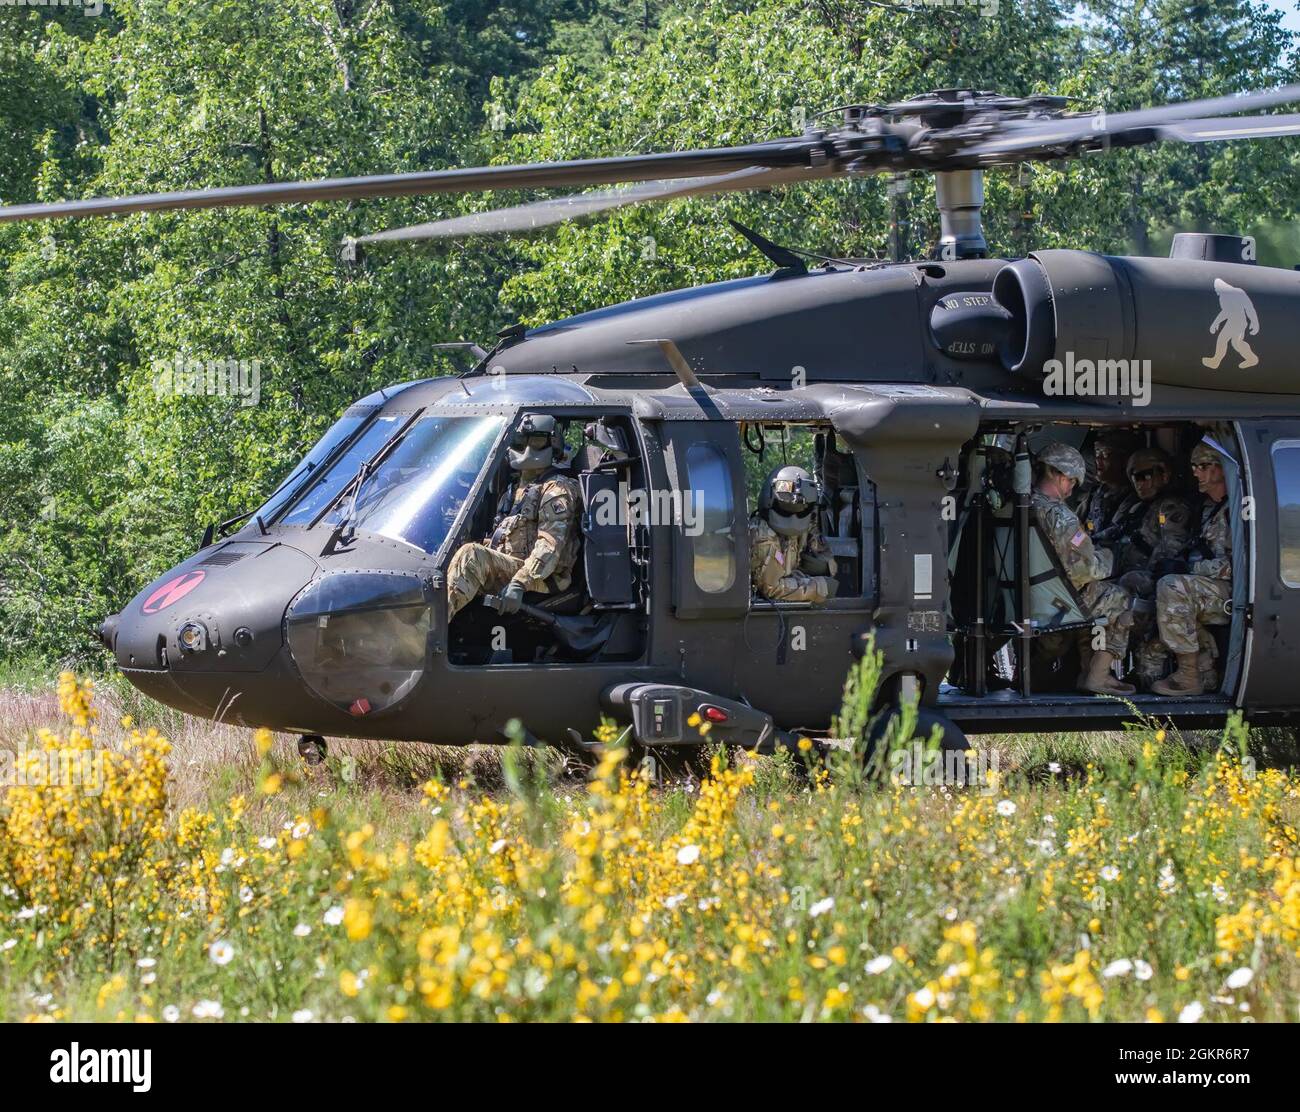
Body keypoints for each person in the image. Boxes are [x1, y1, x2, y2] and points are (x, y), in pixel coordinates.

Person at [446, 413, 581, 621]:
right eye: (520, 440)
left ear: (553, 443)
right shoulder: (514, 488)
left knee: (471, 555)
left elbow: (550, 547)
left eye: (536, 440)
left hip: (542, 577)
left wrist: (520, 582)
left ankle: (425, 631)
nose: (527, 447)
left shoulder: (557, 488)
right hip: (511, 567)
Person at [1032, 442, 1134, 695]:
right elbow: (1084, 571)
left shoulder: (1023, 506)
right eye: (1071, 482)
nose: (1070, 490)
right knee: (1120, 599)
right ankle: (1097, 676)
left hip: (1030, 595)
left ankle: (1083, 671)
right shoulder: (1062, 517)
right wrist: (1109, 557)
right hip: (1057, 599)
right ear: (1058, 474)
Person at [1150, 440, 1233, 696]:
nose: (1196, 472)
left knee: (1173, 587)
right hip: (1209, 587)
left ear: (1220, 469)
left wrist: (1191, 568)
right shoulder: (1208, 509)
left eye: (1203, 466)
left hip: (1231, 592)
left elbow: (1237, 566)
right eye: (1194, 466)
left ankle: (1188, 677)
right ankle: (1205, 671)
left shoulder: (1236, 511)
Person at [1110, 447, 1196, 689]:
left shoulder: (1171, 508)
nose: (1139, 482)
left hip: (1154, 584)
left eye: (1145, 475)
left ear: (1164, 474)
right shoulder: (1136, 506)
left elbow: (1169, 555)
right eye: (1134, 477)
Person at [749, 465, 838, 603]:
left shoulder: (806, 524)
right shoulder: (763, 534)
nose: (794, 516)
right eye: (787, 508)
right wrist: (818, 587)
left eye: (801, 509)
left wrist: (823, 566)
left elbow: (830, 563)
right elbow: (772, 588)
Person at [1081, 429, 1141, 536]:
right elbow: (1085, 527)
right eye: (1097, 453)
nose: (1098, 460)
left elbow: (1115, 533)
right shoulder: (1095, 494)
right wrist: (1074, 544)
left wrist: (1087, 543)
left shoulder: (1135, 500)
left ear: (1125, 460)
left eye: (1105, 454)